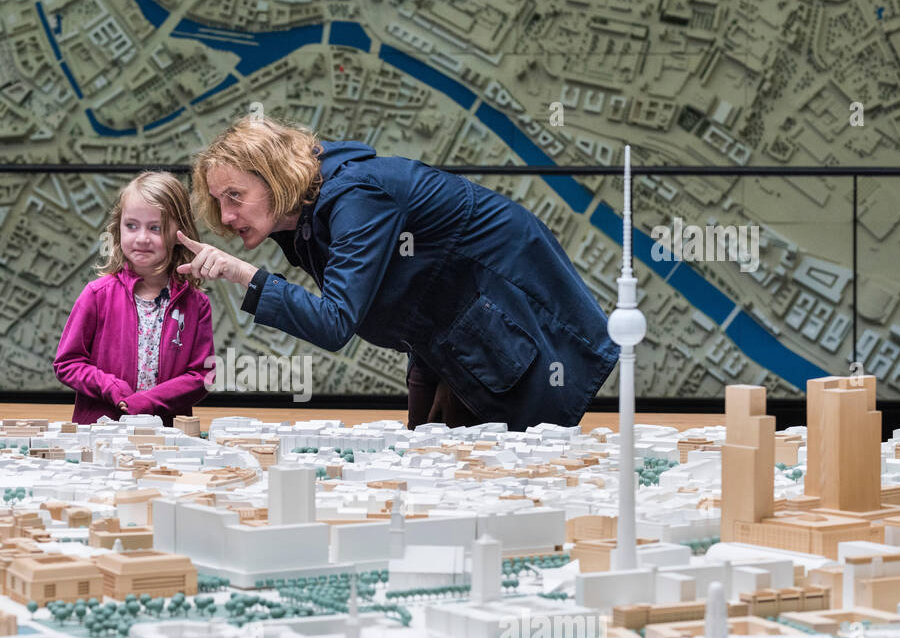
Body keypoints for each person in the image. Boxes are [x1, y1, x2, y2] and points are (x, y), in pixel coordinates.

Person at [178, 116, 619, 430]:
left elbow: (335, 322)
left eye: (235, 195)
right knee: (428, 450)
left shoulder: (355, 196)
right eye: (218, 201)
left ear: (274, 177)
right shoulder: (306, 215)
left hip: (503, 311)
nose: (227, 214)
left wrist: (245, 275)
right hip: (442, 331)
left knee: (479, 457)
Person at [53, 172, 214, 427]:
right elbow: (67, 363)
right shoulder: (96, 295)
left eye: (155, 228)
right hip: (100, 434)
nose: (141, 238)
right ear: (118, 228)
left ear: (179, 233)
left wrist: (149, 401)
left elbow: (201, 375)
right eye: (131, 225)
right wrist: (111, 387)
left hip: (167, 437)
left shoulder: (197, 305)